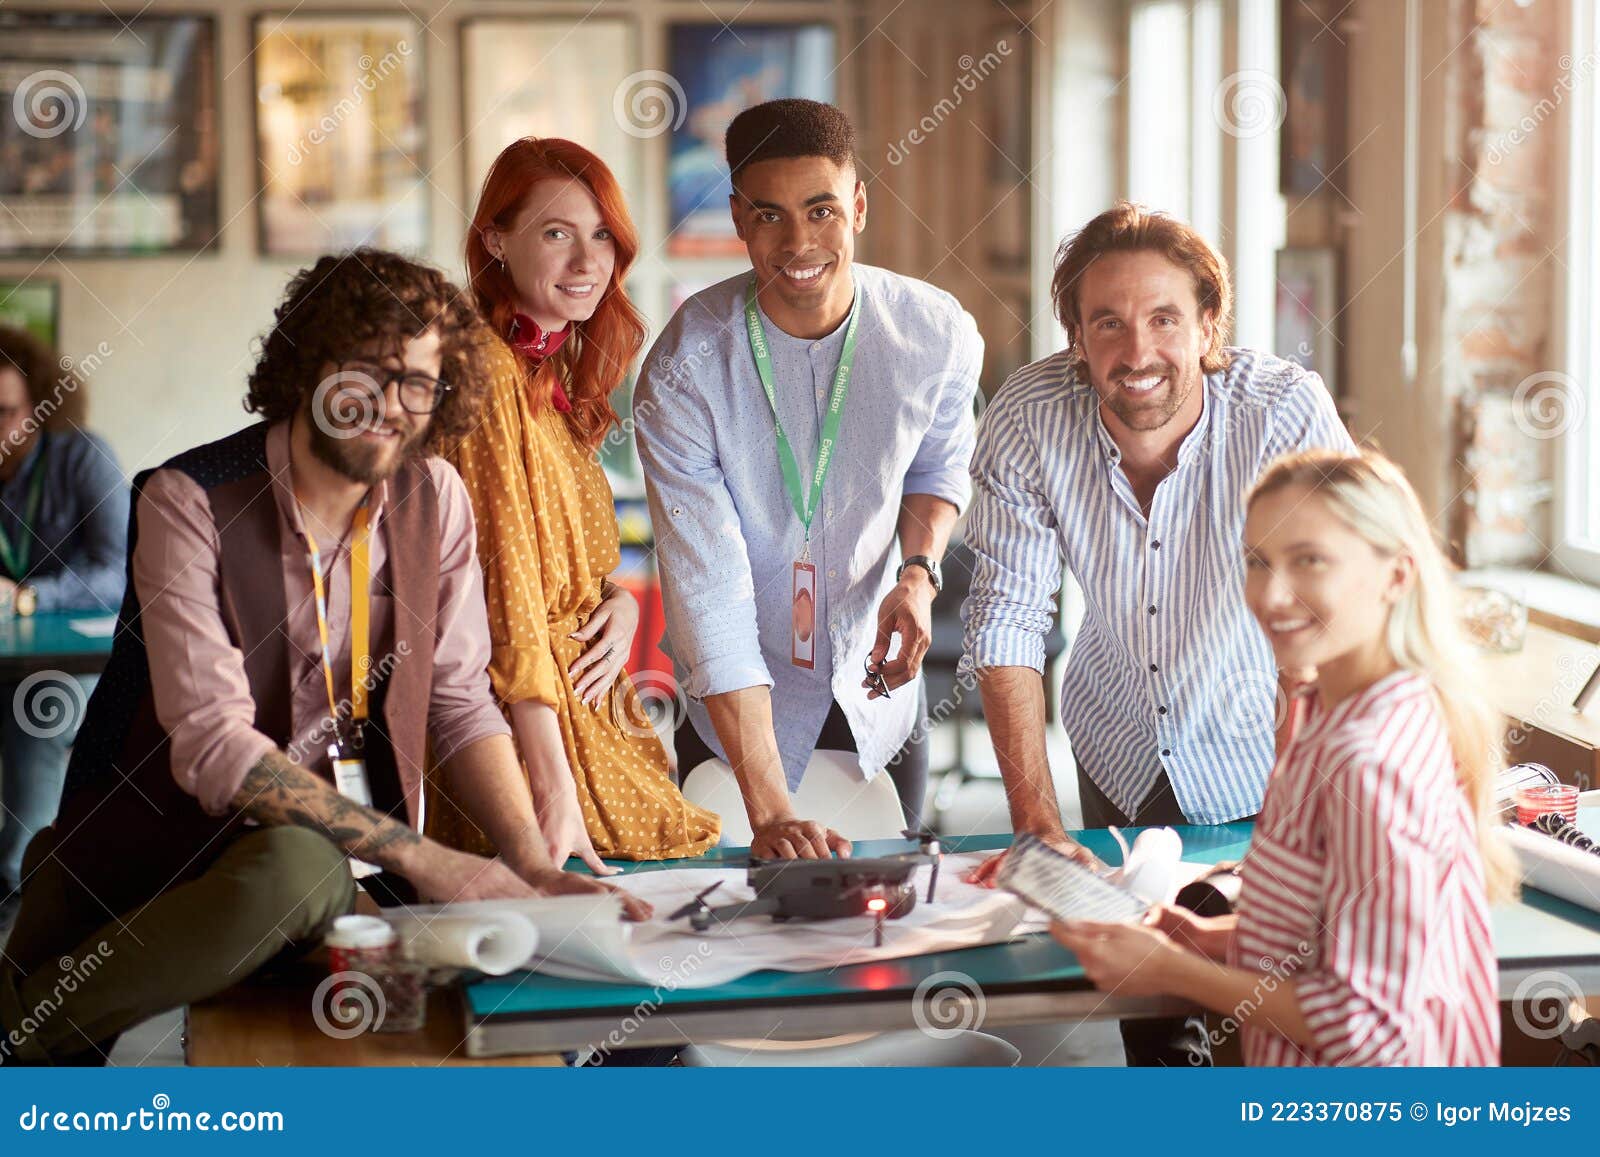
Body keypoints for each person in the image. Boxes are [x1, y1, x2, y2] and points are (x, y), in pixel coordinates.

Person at [0, 250, 644, 1067]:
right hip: (164, 857)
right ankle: (18, 1032)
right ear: (307, 363)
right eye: (365, 371)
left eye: (419, 381)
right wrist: (427, 858)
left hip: (346, 876)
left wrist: (525, 858)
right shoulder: (187, 498)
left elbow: (458, 699)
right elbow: (216, 747)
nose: (390, 405)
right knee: (299, 869)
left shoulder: (435, 495)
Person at [960, 200, 1353, 1064]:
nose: (1137, 353)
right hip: (1119, 753)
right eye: (1108, 323)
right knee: (1156, 1019)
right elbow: (1009, 618)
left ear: (1209, 324)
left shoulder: (1283, 411)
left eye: (1164, 319)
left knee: (1271, 1013)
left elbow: (1333, 612)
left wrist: (1300, 799)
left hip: (1261, 748)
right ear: (1076, 336)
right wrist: (1035, 821)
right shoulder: (1030, 414)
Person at [1053, 447, 1513, 1066]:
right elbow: (1335, 930)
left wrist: (1174, 973)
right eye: (1257, 561)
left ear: (1396, 576)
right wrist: (1205, 937)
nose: (1270, 596)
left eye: (1310, 561)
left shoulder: (1367, 762)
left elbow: (1367, 1026)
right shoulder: (1336, 709)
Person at [634, 98, 983, 856]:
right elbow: (708, 597)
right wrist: (769, 808)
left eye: (821, 209)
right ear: (736, 216)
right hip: (737, 714)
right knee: (740, 933)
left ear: (857, 204)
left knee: (886, 938)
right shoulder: (684, 367)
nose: (798, 241)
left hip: (881, 697)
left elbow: (937, 462)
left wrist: (918, 576)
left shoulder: (938, 333)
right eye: (769, 215)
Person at [430, 136, 718, 867]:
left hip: (587, 697)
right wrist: (550, 790)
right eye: (557, 233)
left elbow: (565, 553)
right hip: (527, 724)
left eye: (602, 236)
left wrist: (617, 602)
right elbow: (507, 592)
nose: (588, 263)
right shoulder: (487, 372)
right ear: (496, 238)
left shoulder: (546, 370)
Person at [0, 325, 128, 923]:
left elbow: (116, 572)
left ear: (40, 406)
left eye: (5, 413)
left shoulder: (84, 456)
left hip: (71, 664)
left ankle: (17, 891)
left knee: (38, 709)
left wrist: (28, 597)